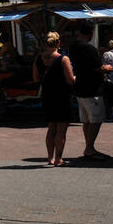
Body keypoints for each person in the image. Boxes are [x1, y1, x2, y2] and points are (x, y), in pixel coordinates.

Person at [69, 24, 110, 158]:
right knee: (96, 119)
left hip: (80, 86)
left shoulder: (73, 48)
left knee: (86, 120)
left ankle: (89, 146)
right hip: (92, 88)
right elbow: (98, 67)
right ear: (90, 33)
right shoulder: (89, 48)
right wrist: (107, 68)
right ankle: (89, 148)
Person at [34, 31, 76, 166]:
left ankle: (50, 157)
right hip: (62, 96)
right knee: (61, 130)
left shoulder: (39, 59)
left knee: (51, 127)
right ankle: (59, 159)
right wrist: (77, 77)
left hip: (48, 96)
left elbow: (35, 78)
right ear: (58, 43)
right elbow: (70, 80)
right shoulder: (63, 59)